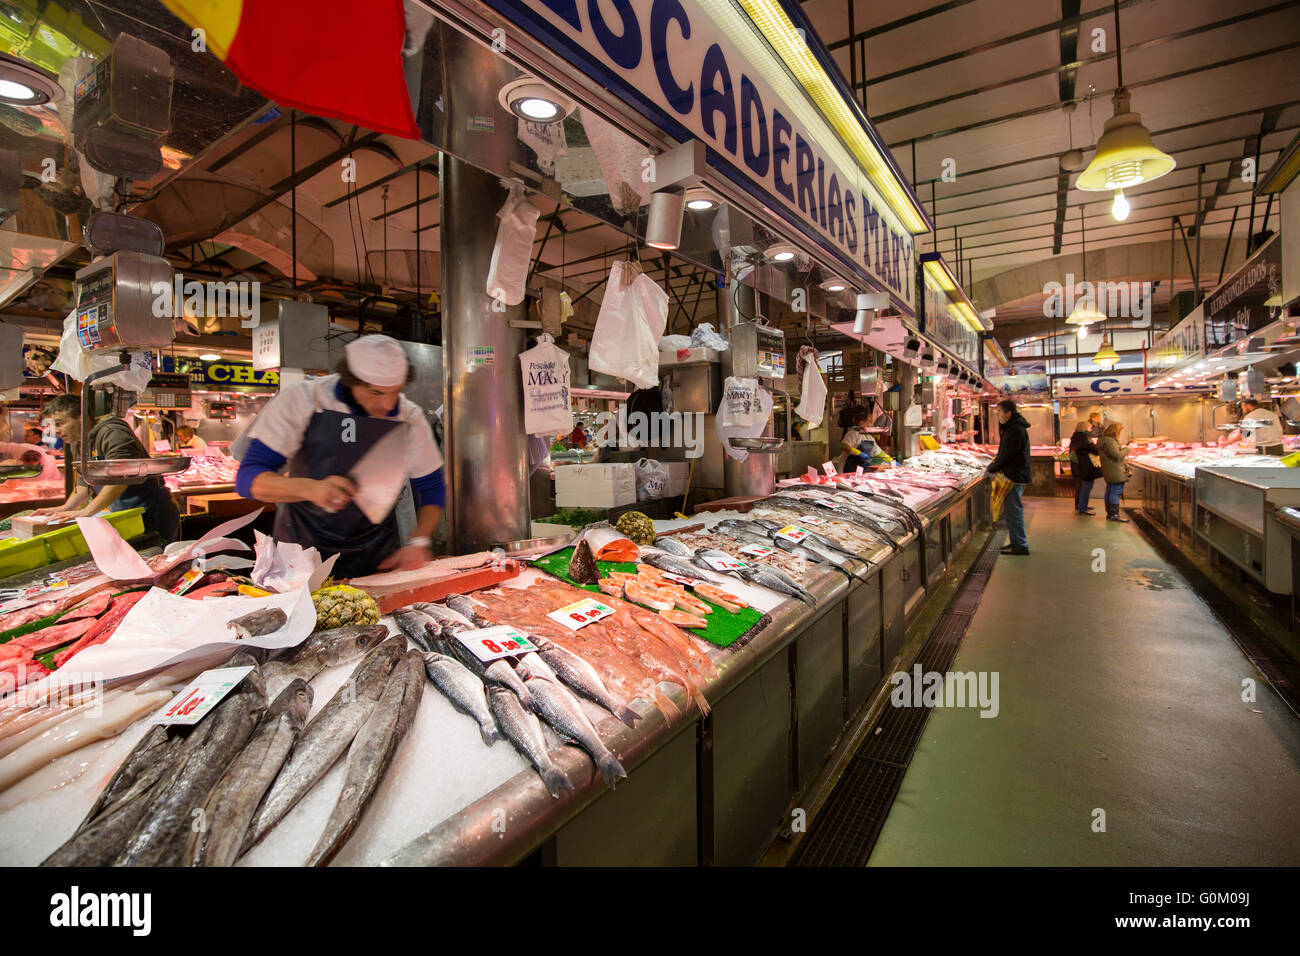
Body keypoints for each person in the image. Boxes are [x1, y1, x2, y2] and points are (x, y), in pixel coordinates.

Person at [234, 335, 445, 577]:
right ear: (350, 381)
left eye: (395, 392)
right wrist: (312, 489)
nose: (387, 404)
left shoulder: (409, 416)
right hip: (303, 556)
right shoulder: (303, 400)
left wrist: (419, 541)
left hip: (377, 557)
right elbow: (249, 479)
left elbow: (432, 487)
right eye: (376, 392)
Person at [34, 394, 182, 543]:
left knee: (155, 562)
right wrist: (66, 508)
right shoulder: (79, 442)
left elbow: (121, 476)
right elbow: (86, 480)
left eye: (60, 423)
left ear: (82, 417)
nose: (56, 431)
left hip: (151, 512)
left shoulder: (112, 432)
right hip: (125, 514)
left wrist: (88, 511)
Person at [986, 398, 1031, 555]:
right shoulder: (1012, 428)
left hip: (1014, 476)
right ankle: (1015, 542)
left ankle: (1020, 545)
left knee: (1014, 511)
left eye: (999, 412)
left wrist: (992, 467)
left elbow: (1007, 455)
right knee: (1012, 512)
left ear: (1008, 413)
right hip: (1014, 474)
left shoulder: (1015, 430)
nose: (997, 415)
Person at [1068, 421, 1102, 516]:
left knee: (1081, 487)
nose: (1091, 430)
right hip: (1084, 467)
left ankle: (1081, 505)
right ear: (1085, 428)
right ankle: (1082, 507)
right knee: (1085, 487)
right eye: (1090, 428)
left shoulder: (1076, 437)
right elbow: (1093, 450)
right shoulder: (1084, 438)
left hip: (1078, 466)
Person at [1098, 422, 1131, 522]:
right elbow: (1116, 455)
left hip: (1109, 470)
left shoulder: (1105, 440)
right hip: (1115, 470)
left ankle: (1110, 513)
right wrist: (1127, 450)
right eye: (1120, 431)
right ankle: (1114, 514)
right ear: (1115, 431)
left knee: (1110, 490)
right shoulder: (1110, 441)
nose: (1120, 433)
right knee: (1115, 491)